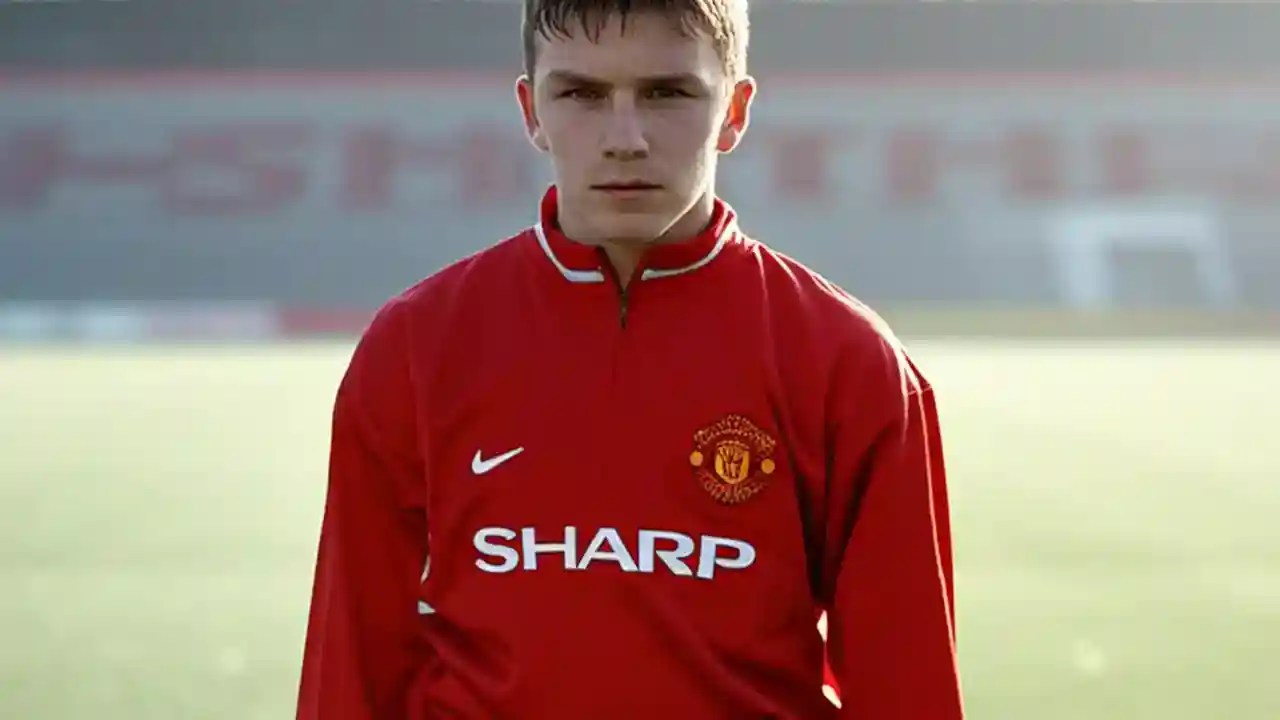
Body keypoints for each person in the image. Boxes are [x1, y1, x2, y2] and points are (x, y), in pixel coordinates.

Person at [295, 0, 964, 716]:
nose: (625, 137)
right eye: (581, 93)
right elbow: (352, 664)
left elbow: (908, 685)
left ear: (734, 110)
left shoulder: (850, 364)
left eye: (667, 93)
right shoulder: (416, 345)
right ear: (530, 110)